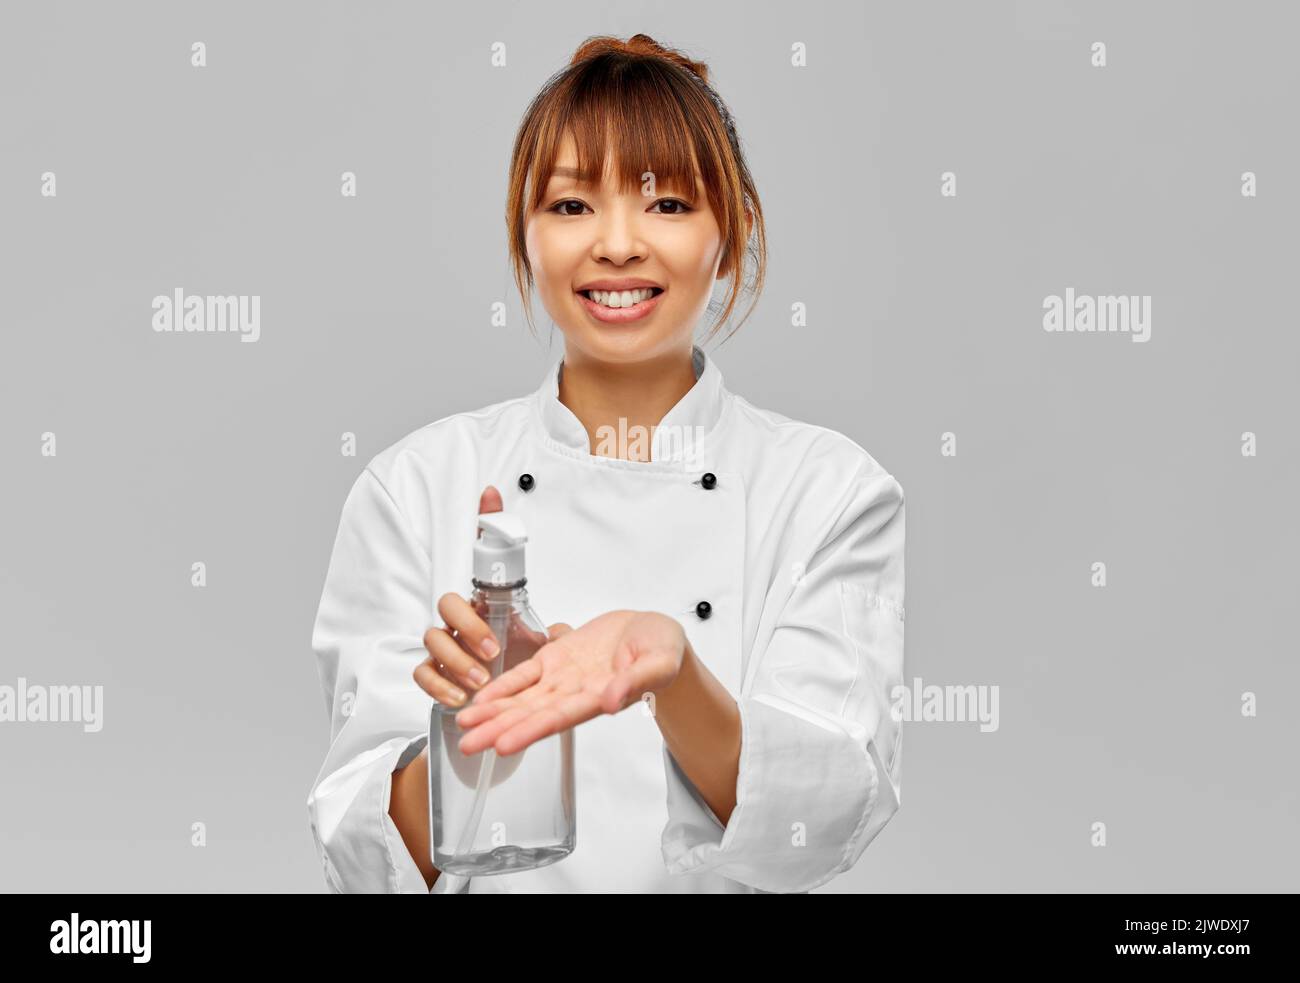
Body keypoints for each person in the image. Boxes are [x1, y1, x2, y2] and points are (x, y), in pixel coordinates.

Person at [307, 33, 905, 894]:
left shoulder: (828, 490)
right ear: (524, 235)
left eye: (667, 204)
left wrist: (673, 672)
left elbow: (827, 813)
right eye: (571, 204)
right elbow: (359, 858)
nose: (618, 245)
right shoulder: (413, 488)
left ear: (732, 233)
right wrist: (471, 738)